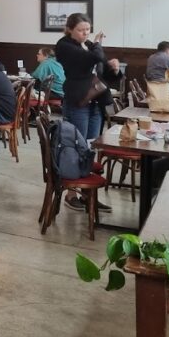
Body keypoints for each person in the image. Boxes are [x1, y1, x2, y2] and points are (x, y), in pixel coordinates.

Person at [55, 13, 111, 211]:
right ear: (70, 29)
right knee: (75, 145)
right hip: (78, 100)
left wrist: (110, 66)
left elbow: (98, 65)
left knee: (90, 146)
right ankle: (71, 194)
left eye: (88, 29)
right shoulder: (65, 46)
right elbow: (95, 57)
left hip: (94, 101)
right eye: (81, 30)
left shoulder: (84, 45)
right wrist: (97, 44)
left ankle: (87, 193)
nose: (85, 33)